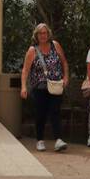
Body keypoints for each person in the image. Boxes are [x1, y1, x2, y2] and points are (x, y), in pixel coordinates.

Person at [20, 23, 69, 152]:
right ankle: (40, 140)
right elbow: (25, 70)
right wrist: (23, 87)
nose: (43, 35)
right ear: (36, 35)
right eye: (40, 33)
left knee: (55, 111)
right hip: (39, 86)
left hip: (56, 85)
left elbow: (64, 62)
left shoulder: (55, 45)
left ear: (48, 34)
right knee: (40, 113)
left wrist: (66, 77)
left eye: (45, 33)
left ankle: (58, 139)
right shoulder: (32, 50)